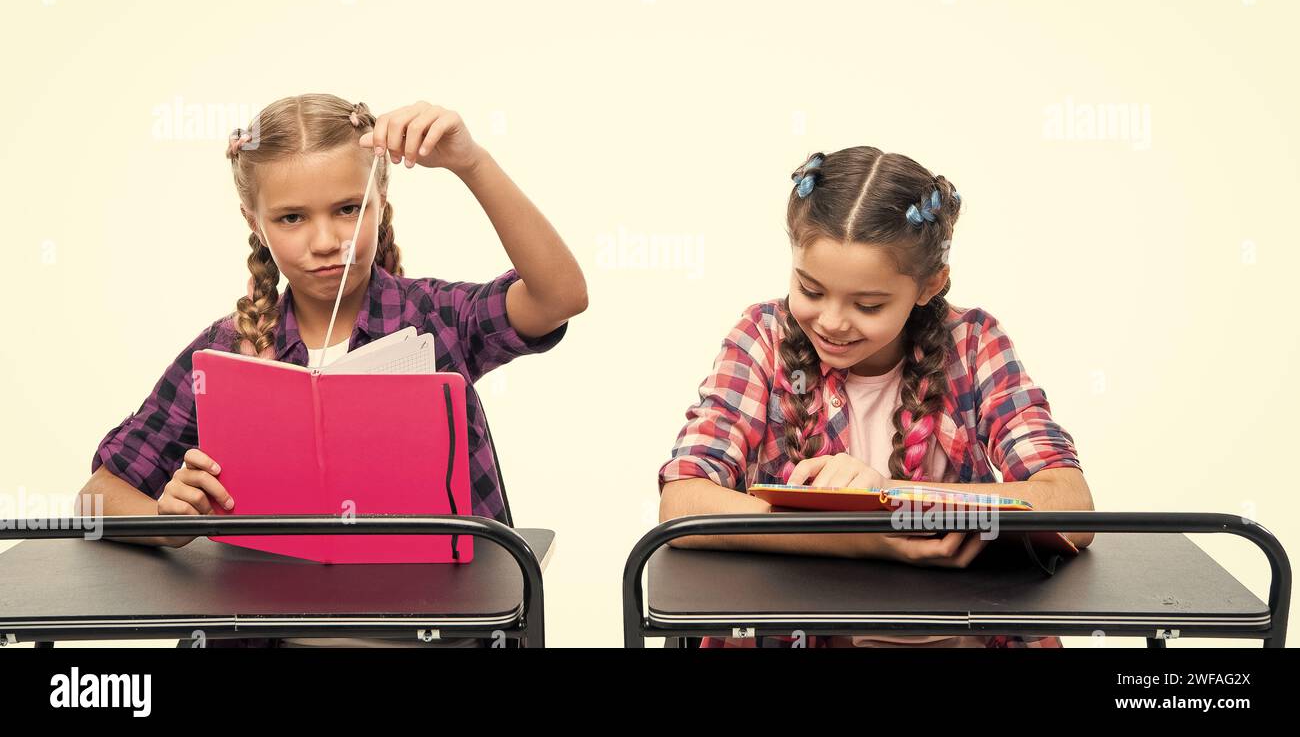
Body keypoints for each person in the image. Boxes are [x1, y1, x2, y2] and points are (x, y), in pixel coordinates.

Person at [78, 94, 586, 647]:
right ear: (254, 220)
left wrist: (472, 163)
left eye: (348, 209)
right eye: (292, 218)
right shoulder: (226, 354)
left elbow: (560, 295)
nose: (325, 242)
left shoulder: (436, 320)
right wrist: (165, 521)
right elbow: (96, 496)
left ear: (380, 200)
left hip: (441, 631)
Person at [657, 146, 1094, 648]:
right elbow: (683, 505)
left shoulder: (973, 344)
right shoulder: (763, 339)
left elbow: (1069, 505)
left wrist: (895, 500)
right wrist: (859, 535)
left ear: (931, 285)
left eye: (868, 304)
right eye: (811, 290)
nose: (833, 321)